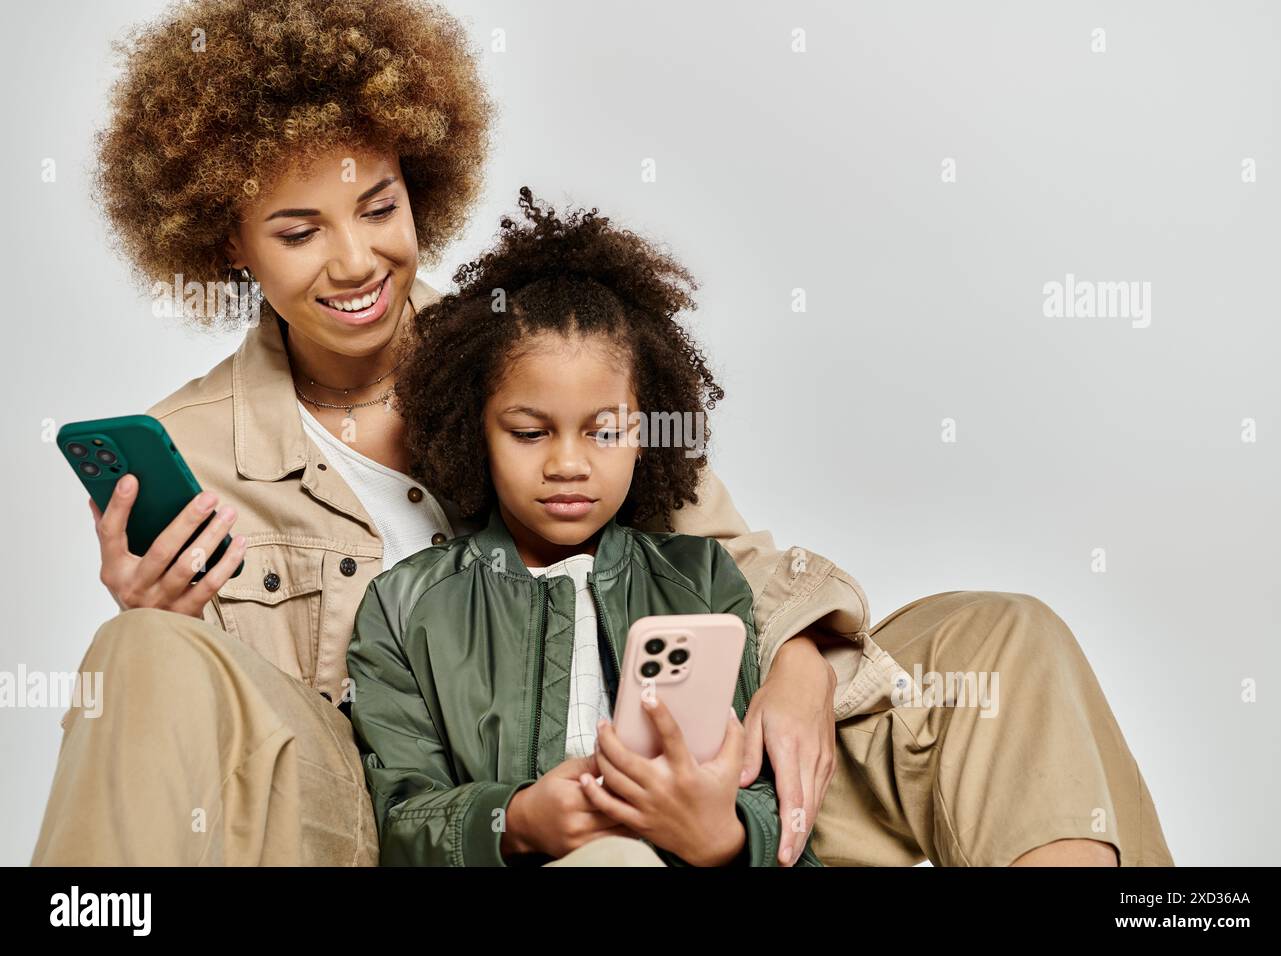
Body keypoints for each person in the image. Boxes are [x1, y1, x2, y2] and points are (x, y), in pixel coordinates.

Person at [32, 0, 1174, 867]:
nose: (355, 259)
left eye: (379, 207)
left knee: (998, 642)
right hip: (407, 821)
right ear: (229, 249)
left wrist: (798, 664)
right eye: (297, 230)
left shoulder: (527, 352)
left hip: (669, 777)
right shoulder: (192, 445)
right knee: (137, 655)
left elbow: (733, 557)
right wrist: (168, 631)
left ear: (419, 182)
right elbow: (261, 755)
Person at [349, 189, 824, 866]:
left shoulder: (704, 579)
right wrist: (512, 822)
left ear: (646, 432)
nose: (567, 464)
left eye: (605, 432)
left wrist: (723, 835)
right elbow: (398, 817)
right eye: (529, 431)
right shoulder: (404, 607)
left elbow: (772, 783)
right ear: (473, 430)